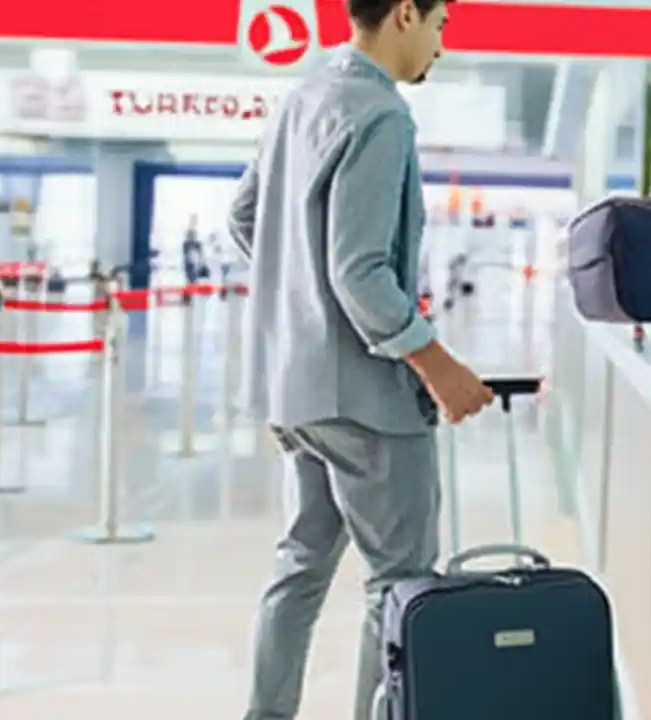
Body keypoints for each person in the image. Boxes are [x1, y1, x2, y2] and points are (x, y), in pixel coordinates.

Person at [226, 1, 494, 718]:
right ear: (406, 14)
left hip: (296, 392)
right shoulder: (380, 113)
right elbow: (360, 272)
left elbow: (244, 217)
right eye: (440, 26)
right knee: (400, 584)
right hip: (365, 399)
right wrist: (438, 366)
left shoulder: (303, 98)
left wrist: (303, 302)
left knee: (300, 565)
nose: (441, 47)